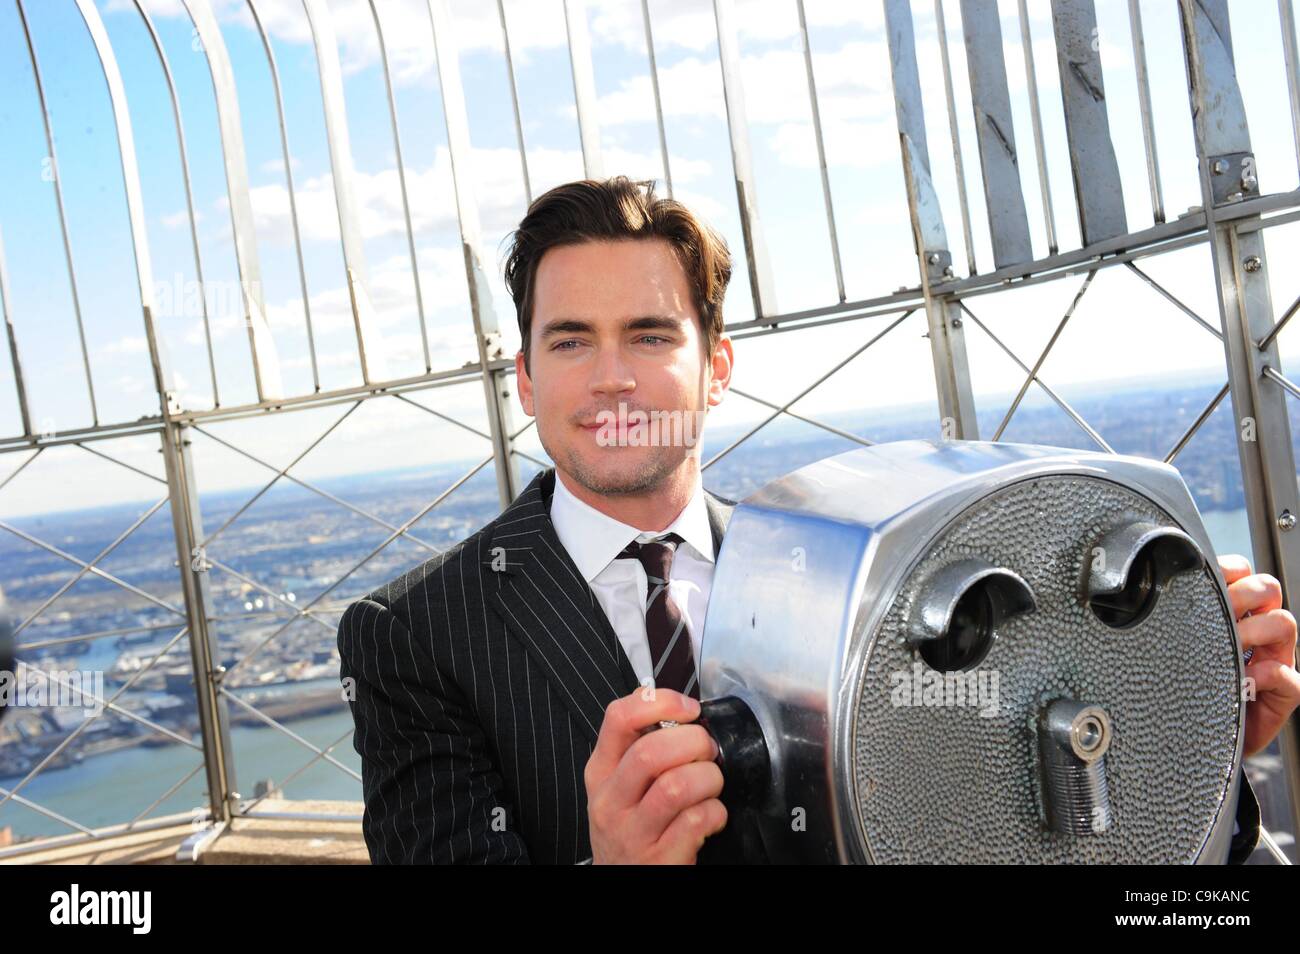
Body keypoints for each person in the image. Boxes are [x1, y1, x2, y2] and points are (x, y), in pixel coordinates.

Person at [336, 175, 1300, 865]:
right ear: (527, 380)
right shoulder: (414, 634)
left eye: (651, 334)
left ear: (715, 367)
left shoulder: (851, 576)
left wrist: (1187, 739)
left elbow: (995, 816)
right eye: (571, 340)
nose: (613, 376)